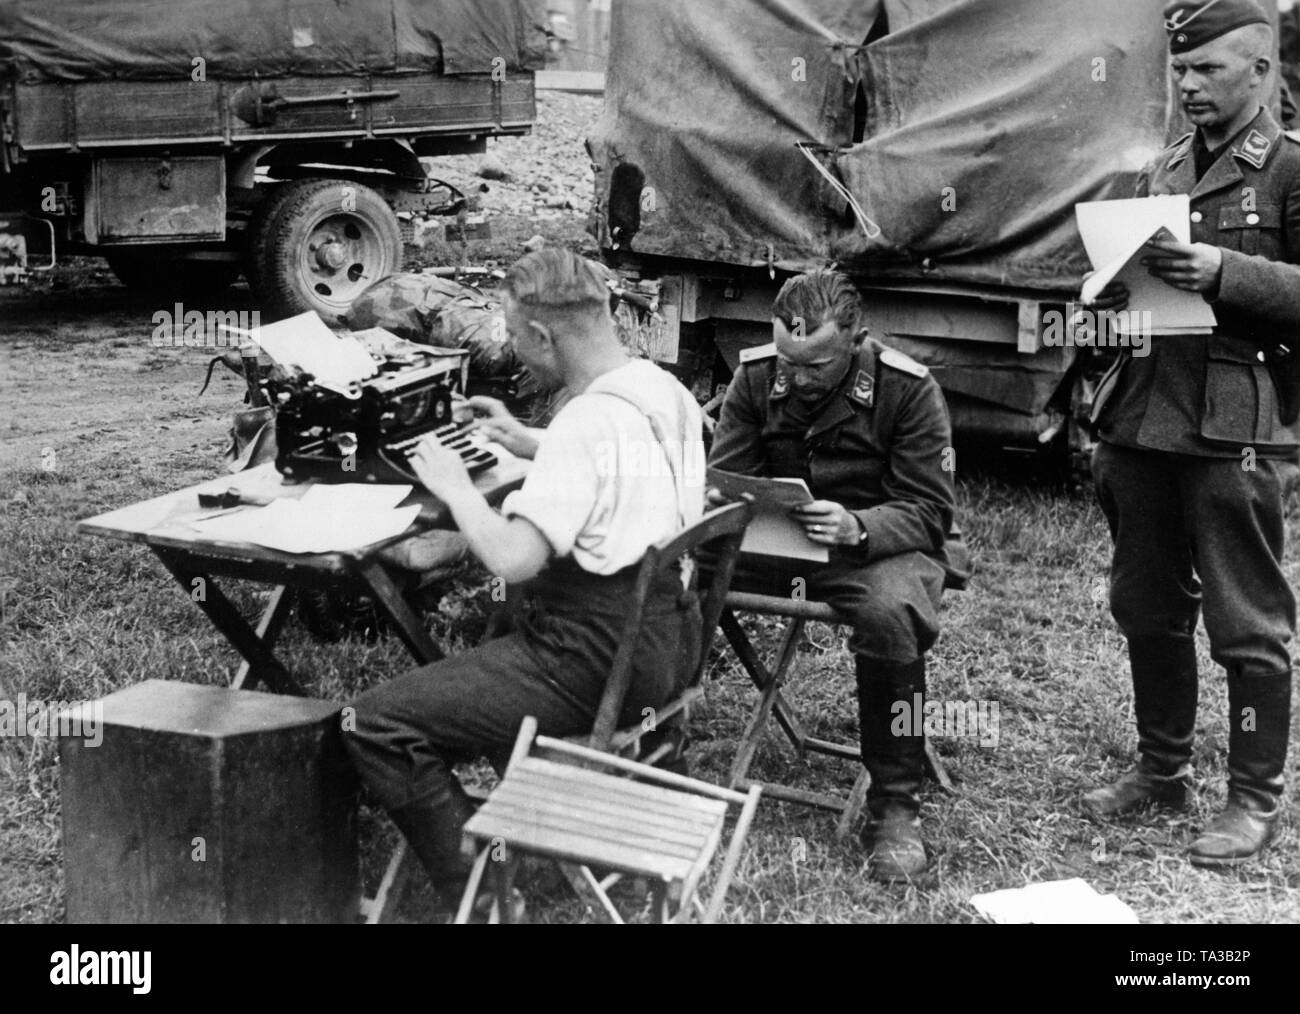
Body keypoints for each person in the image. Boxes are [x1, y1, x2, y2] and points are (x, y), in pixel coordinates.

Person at [343, 248, 706, 910]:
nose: (513, 349)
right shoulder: (660, 388)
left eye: (513, 335)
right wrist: (522, 437)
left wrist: (457, 492)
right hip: (672, 640)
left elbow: (513, 560)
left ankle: (480, 893)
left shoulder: (584, 423)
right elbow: (621, 454)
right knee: (467, 677)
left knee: (375, 723)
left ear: (542, 335)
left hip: (593, 659)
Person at [1083, 0, 1299, 867]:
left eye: (1207, 69)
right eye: (1180, 69)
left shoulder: (1287, 171)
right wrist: (1106, 287)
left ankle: (1253, 798)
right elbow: (1145, 280)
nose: (1188, 84)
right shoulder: (1167, 162)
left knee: (1247, 623)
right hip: (1142, 415)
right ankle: (1161, 769)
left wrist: (1228, 272)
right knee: (1145, 605)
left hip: (1232, 424)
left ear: (1260, 70)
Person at [708, 269, 958, 882]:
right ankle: (650, 750)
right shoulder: (759, 374)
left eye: (815, 366)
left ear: (857, 339)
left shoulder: (909, 390)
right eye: (789, 362)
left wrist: (858, 526)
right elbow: (724, 480)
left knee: (891, 613)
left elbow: (930, 510)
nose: (796, 378)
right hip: (774, 545)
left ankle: (896, 804)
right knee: (671, 566)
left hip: (874, 550)